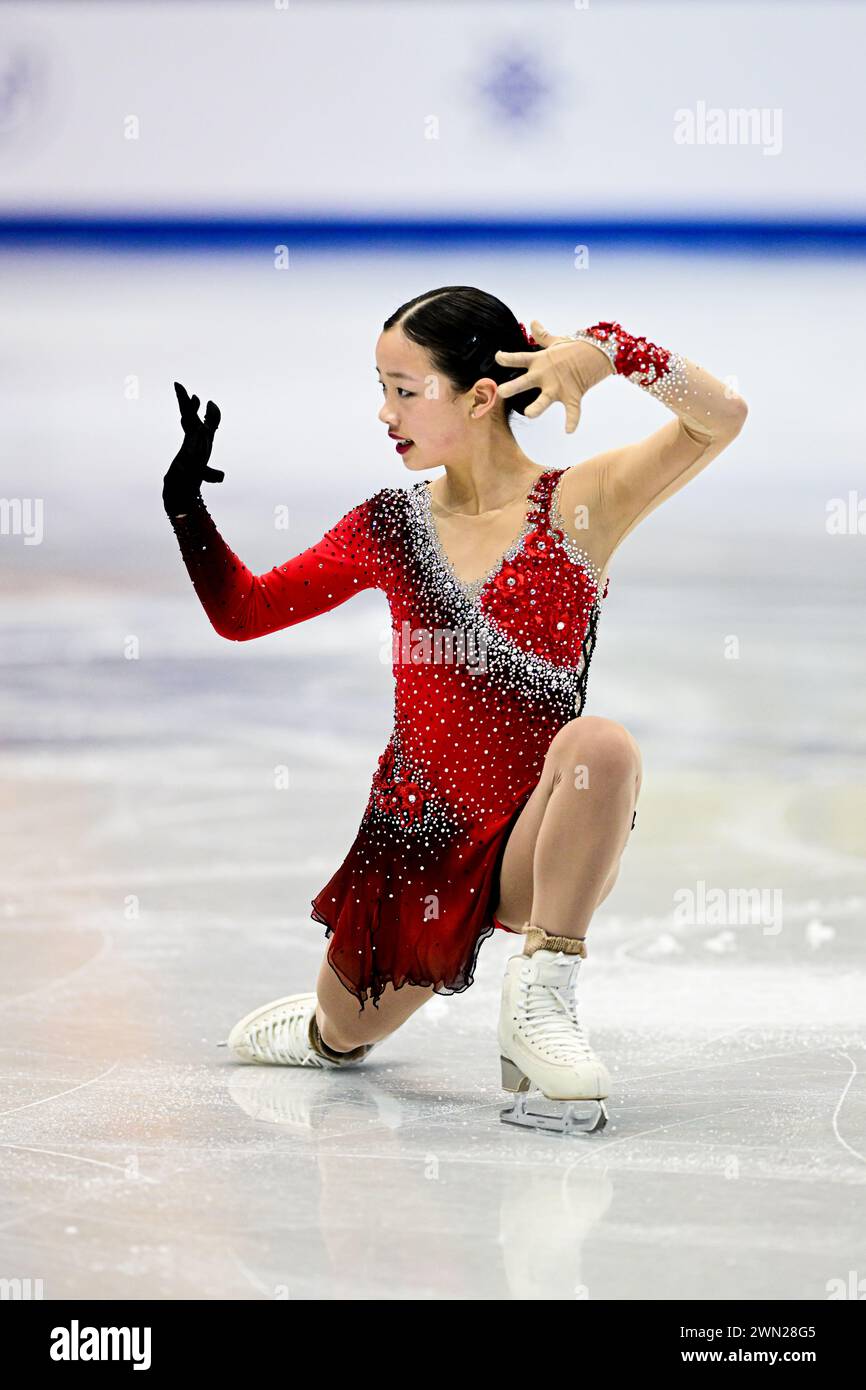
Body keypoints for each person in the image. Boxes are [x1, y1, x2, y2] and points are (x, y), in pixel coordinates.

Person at [163, 286, 747, 1133]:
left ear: (478, 398)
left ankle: (542, 998)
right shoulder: (390, 525)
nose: (384, 412)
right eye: (381, 387)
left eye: (406, 390)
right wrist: (187, 508)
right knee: (344, 1030)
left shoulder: (578, 505)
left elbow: (720, 417)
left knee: (602, 747)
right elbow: (244, 613)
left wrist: (610, 348)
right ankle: (323, 1032)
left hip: (534, 844)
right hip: (416, 852)